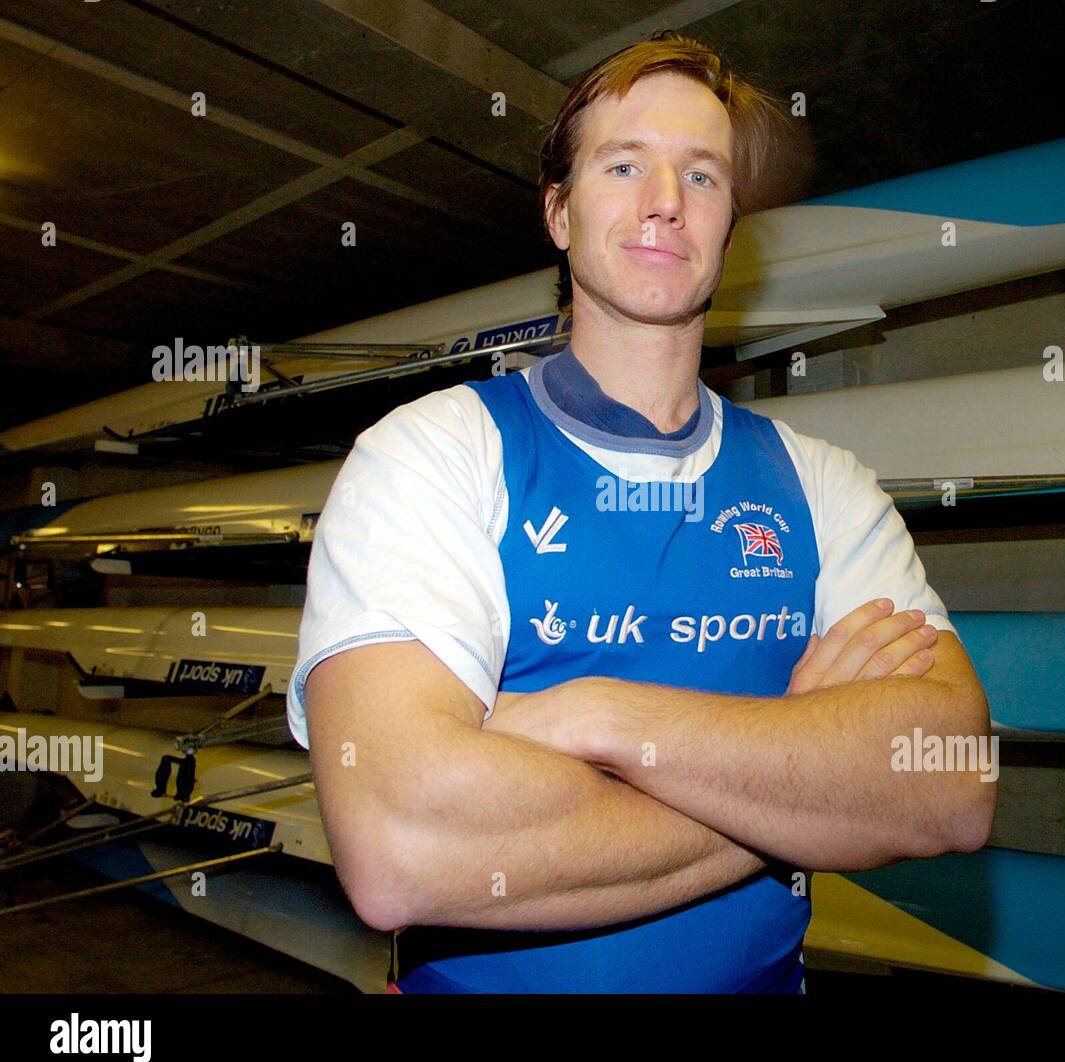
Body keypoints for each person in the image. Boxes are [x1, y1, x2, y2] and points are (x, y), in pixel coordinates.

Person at [287, 31, 993, 995]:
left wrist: (591, 716)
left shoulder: (821, 485)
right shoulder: (435, 454)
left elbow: (948, 783)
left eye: (703, 176)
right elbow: (403, 841)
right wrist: (805, 772)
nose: (666, 199)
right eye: (624, 165)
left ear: (730, 223)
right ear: (560, 213)